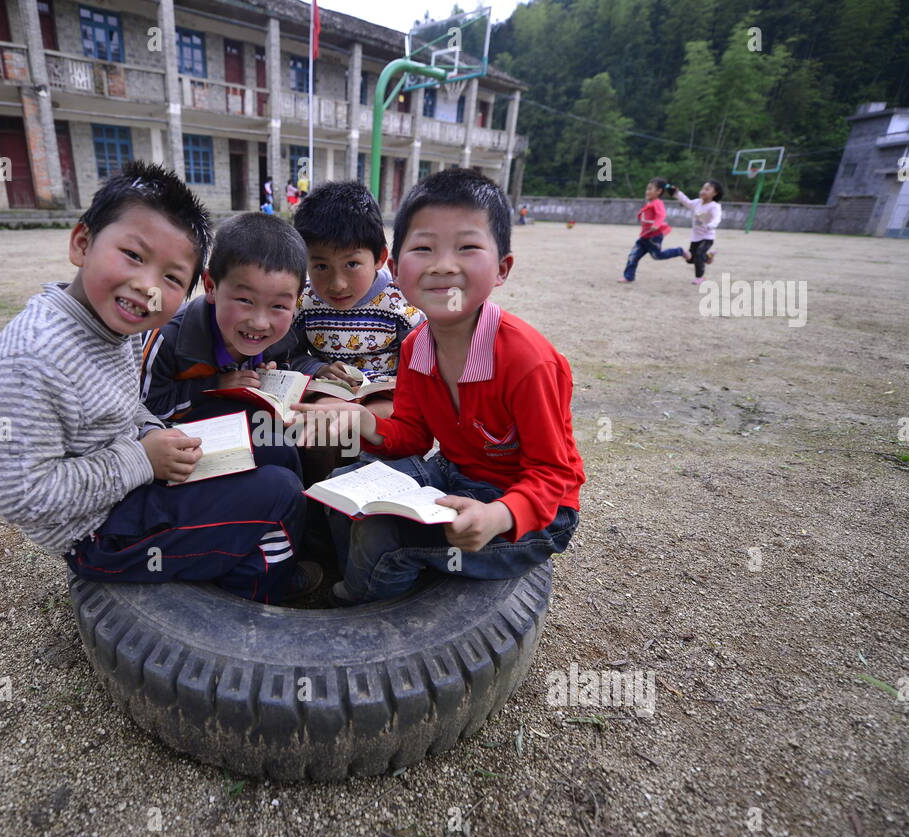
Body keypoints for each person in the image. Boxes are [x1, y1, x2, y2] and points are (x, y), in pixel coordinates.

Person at [0, 162, 319, 606]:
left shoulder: (115, 328)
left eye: (172, 277)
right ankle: (252, 601)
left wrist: (154, 434)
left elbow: (129, 402)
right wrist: (142, 459)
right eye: (134, 256)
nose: (147, 288)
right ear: (82, 243)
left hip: (136, 478)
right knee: (277, 492)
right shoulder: (29, 360)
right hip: (98, 531)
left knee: (273, 446)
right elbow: (23, 497)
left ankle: (266, 538)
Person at [292, 168, 585, 605]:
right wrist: (362, 420)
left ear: (502, 268)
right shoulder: (416, 346)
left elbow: (555, 475)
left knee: (384, 536)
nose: (443, 265)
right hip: (454, 473)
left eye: (467, 247)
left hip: (532, 509)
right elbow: (412, 435)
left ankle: (361, 603)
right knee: (342, 487)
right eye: (424, 248)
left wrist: (501, 514)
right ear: (395, 268)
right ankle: (357, 571)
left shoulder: (529, 362)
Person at [139, 212, 321, 428]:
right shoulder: (167, 338)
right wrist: (214, 386)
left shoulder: (285, 337)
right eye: (245, 300)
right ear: (210, 286)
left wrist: (274, 371)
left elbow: (289, 360)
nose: (260, 323)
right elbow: (148, 408)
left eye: (279, 306)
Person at [290, 179, 425, 421]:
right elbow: (291, 354)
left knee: (378, 416)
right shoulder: (305, 301)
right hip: (331, 392)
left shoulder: (400, 300)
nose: (337, 284)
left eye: (351, 264)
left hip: (386, 396)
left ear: (379, 257)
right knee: (322, 416)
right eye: (321, 266)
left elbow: (421, 361)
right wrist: (317, 368)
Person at [619, 177, 685, 282]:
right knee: (633, 255)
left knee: (657, 256)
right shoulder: (650, 202)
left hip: (654, 237)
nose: (647, 191)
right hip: (644, 236)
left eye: (650, 189)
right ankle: (629, 277)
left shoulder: (658, 203)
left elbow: (661, 214)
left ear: (658, 191)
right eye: (647, 189)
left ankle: (679, 251)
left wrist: (656, 224)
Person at [673, 179, 723, 284]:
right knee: (690, 259)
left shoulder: (714, 206)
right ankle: (708, 257)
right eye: (703, 188)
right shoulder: (697, 203)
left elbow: (717, 218)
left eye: (707, 189)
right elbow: (686, 201)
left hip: (707, 237)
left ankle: (700, 278)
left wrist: (711, 225)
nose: (703, 191)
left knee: (699, 254)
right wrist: (677, 193)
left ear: (715, 193)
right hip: (695, 237)